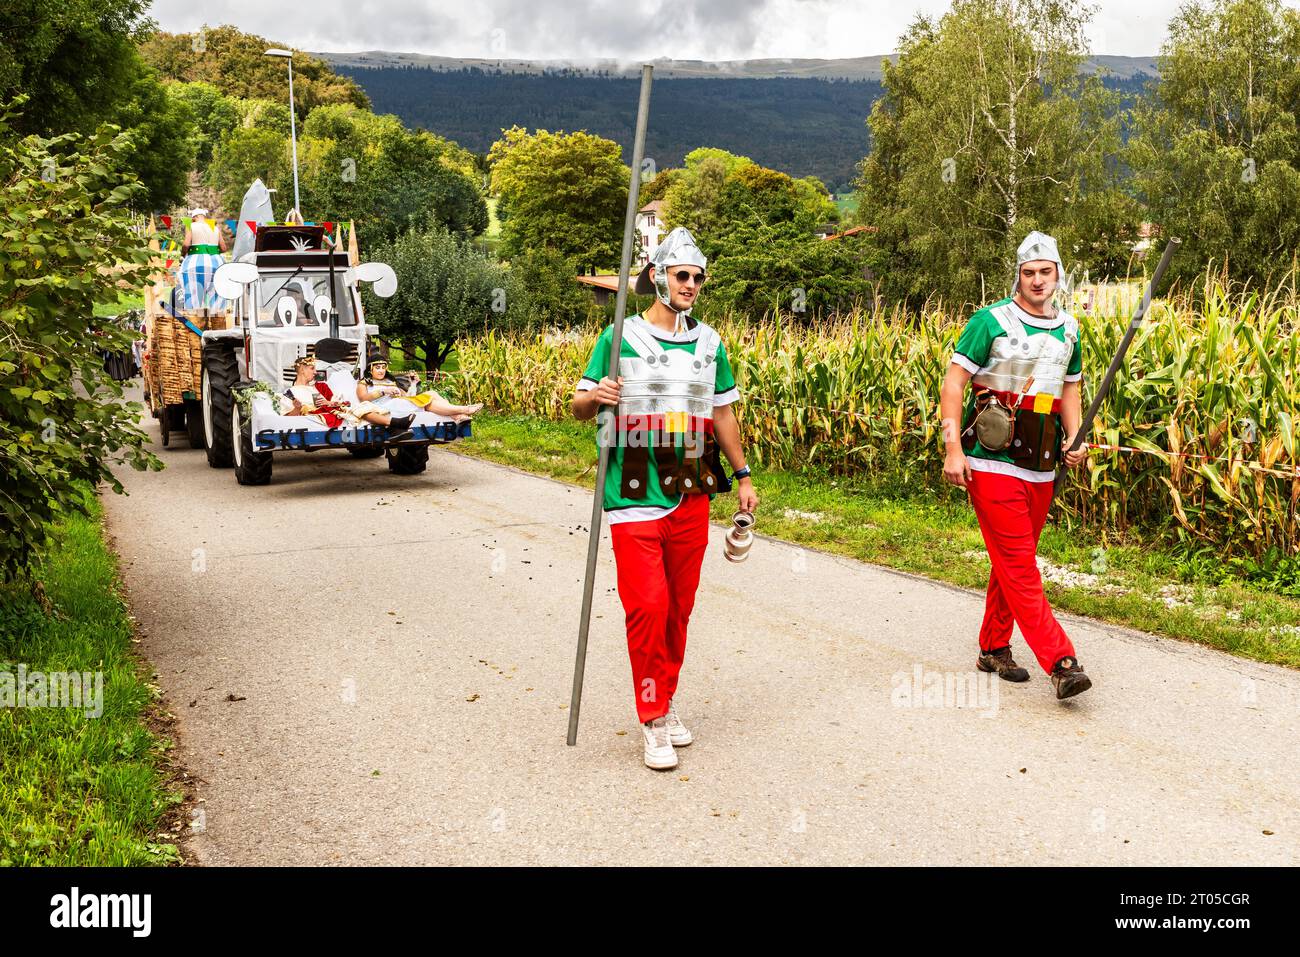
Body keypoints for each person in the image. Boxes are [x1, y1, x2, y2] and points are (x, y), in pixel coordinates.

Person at [572, 227, 759, 770]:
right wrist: (596, 397)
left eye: (699, 277)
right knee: (647, 606)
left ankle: (665, 699)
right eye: (683, 275)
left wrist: (743, 475)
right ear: (657, 277)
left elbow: (722, 413)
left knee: (679, 606)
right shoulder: (618, 337)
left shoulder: (710, 344)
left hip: (693, 483)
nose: (692, 285)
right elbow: (579, 406)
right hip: (632, 484)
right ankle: (651, 716)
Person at [939, 230, 1092, 700]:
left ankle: (992, 646)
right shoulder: (990, 321)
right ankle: (1061, 660)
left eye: (1046, 272)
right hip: (991, 457)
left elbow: (1070, 390)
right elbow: (953, 384)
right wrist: (952, 448)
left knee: (1012, 559)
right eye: (1029, 272)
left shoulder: (1069, 330)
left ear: (1058, 275)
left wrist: (1076, 435)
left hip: (1042, 462)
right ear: (1018, 276)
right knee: (1022, 564)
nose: (1038, 280)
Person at [280, 356, 414, 438]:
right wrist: (297, 409)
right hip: (315, 413)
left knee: (362, 407)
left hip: (330, 409)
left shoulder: (318, 387)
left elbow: (332, 401)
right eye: (312, 369)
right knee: (359, 409)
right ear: (302, 369)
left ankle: (395, 427)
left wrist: (328, 402)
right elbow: (286, 418)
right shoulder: (289, 392)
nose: (315, 372)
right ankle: (396, 424)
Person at [355, 354, 483, 423]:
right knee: (427, 403)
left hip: (399, 403)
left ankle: (457, 416)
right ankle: (464, 410)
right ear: (370, 369)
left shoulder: (391, 381)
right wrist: (383, 391)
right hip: (384, 409)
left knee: (431, 393)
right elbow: (363, 399)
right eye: (377, 368)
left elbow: (408, 397)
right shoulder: (365, 382)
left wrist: (413, 384)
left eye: (383, 367)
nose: (381, 370)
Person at [178, 208, 230, 311]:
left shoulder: (191, 226)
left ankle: (195, 321)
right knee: (217, 298)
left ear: (194, 218)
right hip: (217, 265)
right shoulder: (214, 228)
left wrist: (183, 254)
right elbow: (224, 248)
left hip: (195, 265)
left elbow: (186, 245)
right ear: (204, 217)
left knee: (193, 298)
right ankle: (217, 320)